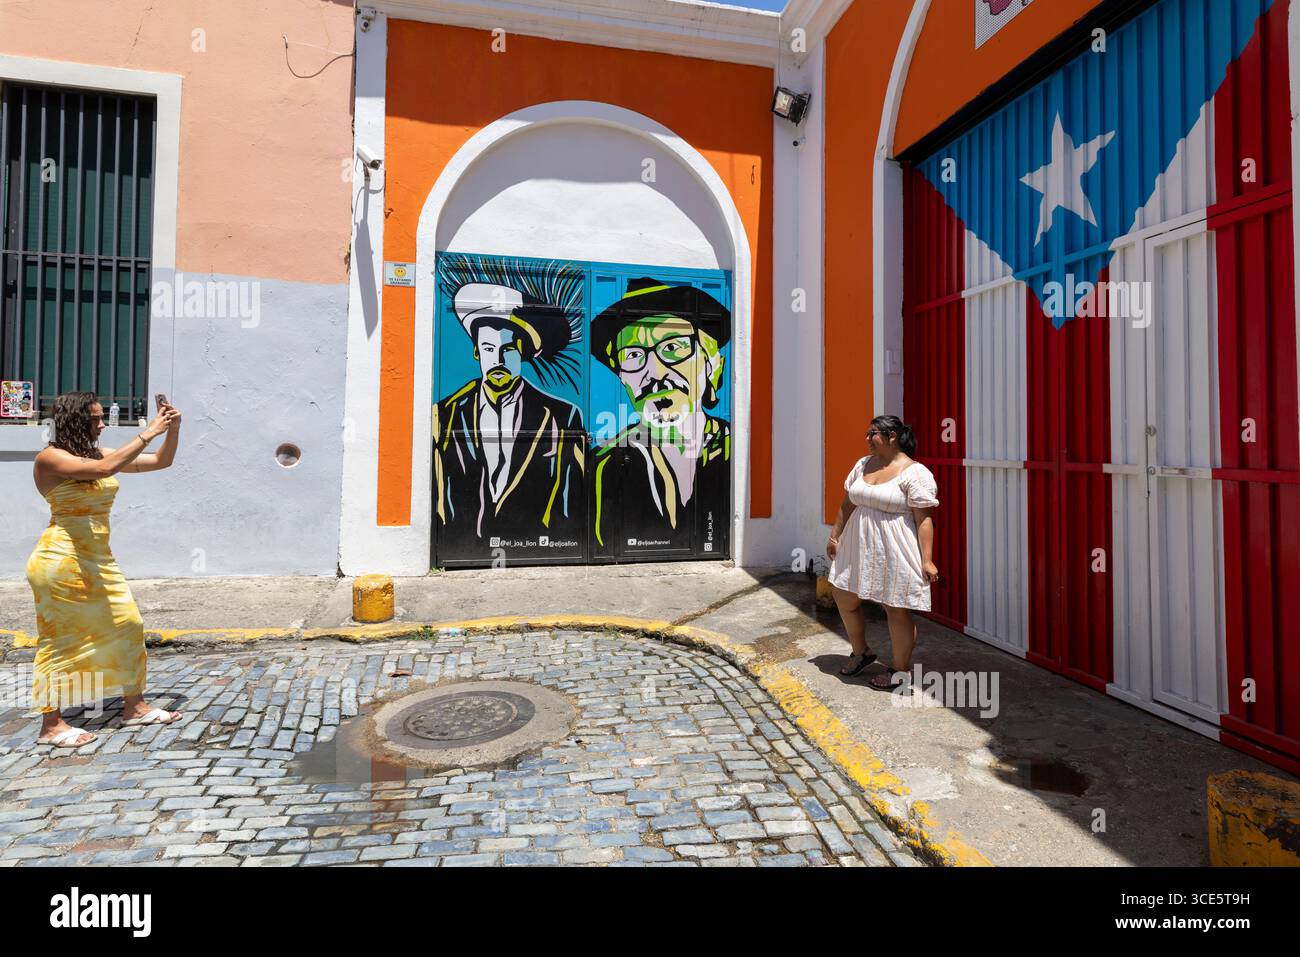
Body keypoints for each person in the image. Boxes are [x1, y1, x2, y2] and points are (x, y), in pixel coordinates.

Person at [26, 392, 183, 747]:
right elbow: (100, 472)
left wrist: (172, 428)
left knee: (128, 624)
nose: (101, 425)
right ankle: (51, 726)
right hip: (60, 561)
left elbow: (161, 461)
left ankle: (135, 708)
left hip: (98, 559)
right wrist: (149, 430)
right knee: (60, 640)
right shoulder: (50, 458)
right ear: (74, 421)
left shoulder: (98, 454)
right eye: (95, 419)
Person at [434, 282, 585, 550]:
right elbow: (440, 496)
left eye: (509, 350)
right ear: (476, 351)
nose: (498, 361)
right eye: (489, 349)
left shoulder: (563, 417)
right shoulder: (445, 414)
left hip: (535, 545)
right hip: (465, 546)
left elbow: (571, 499)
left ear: (525, 354)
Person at [589, 278, 730, 556]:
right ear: (622, 379)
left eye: (673, 348)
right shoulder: (603, 463)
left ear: (712, 366)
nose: (654, 372)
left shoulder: (733, 451)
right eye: (632, 355)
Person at [826, 415, 939, 689]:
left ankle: (900, 670)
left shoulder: (915, 472)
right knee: (843, 594)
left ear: (892, 437)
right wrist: (834, 535)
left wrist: (927, 559)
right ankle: (861, 651)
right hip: (857, 543)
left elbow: (924, 519)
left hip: (895, 547)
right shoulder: (863, 465)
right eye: (867, 433)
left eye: (873, 434)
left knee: (895, 606)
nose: (867, 439)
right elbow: (847, 503)